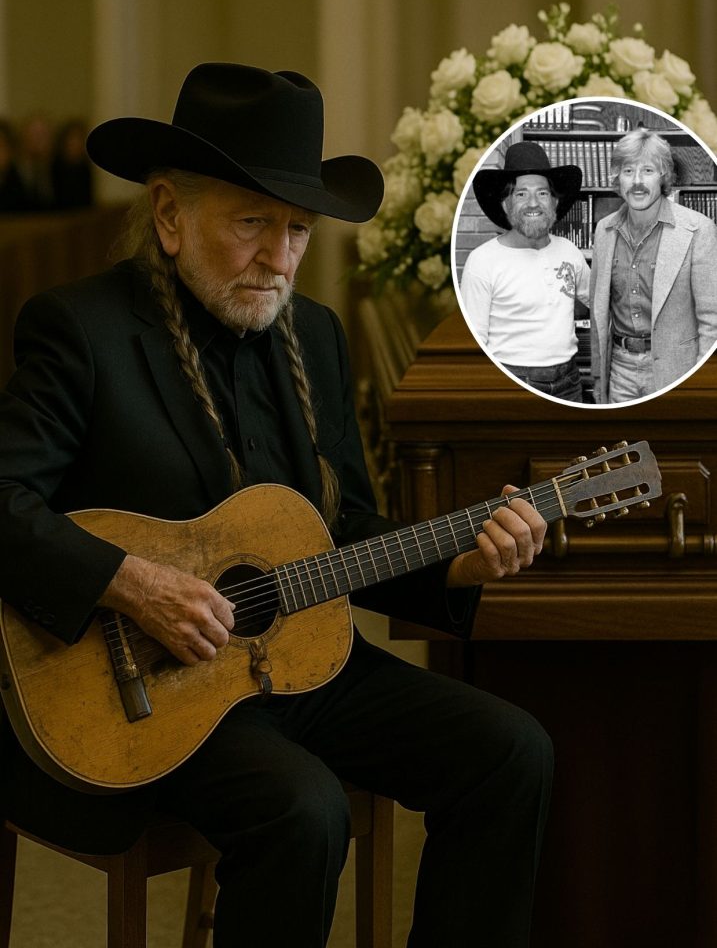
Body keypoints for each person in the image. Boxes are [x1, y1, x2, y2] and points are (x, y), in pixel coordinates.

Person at [0, 63, 552, 948]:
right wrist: (129, 582)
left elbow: (345, 533)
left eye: (296, 230)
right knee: (304, 810)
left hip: (295, 660)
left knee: (508, 750)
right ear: (171, 216)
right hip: (143, 688)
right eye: (253, 223)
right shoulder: (82, 330)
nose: (279, 257)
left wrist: (460, 559)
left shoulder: (316, 338)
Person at [590, 128, 717, 403]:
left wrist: (702, 381)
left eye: (647, 170)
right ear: (617, 178)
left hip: (677, 370)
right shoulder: (604, 230)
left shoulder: (698, 230)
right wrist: (599, 378)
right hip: (619, 370)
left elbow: (712, 320)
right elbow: (598, 314)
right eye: (627, 171)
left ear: (664, 177)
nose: (637, 182)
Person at [460, 141, 590, 403]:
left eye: (542, 193)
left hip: (570, 382)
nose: (534, 203)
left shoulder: (569, 251)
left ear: (554, 202)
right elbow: (475, 346)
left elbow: (600, 301)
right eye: (521, 194)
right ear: (506, 205)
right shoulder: (482, 261)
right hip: (512, 383)